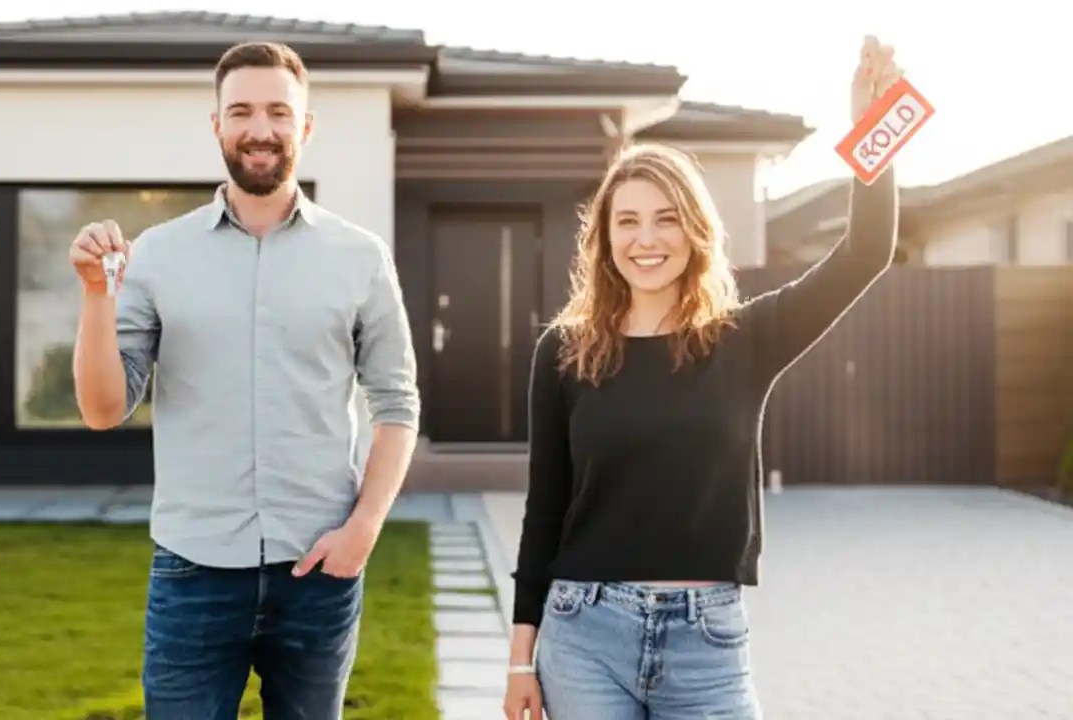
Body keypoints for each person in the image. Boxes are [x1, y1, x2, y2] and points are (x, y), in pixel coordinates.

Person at [502, 36, 902, 720]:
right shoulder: (563, 352)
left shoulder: (746, 340)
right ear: (603, 238)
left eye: (666, 220)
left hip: (708, 642)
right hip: (583, 637)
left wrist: (874, 124)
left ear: (695, 233)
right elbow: (544, 514)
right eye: (627, 221)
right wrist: (519, 659)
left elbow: (865, 252)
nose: (646, 239)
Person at [67, 41, 421, 720]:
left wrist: (363, 531)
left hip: (319, 571)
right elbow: (104, 408)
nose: (261, 129)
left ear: (306, 127)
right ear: (217, 125)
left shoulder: (360, 257)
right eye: (242, 112)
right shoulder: (159, 255)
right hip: (193, 571)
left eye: (279, 113)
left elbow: (397, 403)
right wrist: (93, 295)